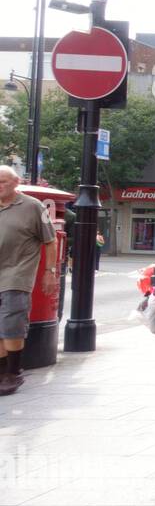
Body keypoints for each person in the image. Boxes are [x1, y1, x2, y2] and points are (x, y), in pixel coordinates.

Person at [0, 165, 57, 395]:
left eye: (3, 182)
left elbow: (50, 240)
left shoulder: (33, 206)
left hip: (17, 274)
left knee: (11, 324)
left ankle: (13, 372)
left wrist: (49, 271)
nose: (0, 186)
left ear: (16, 183)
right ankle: (3, 371)